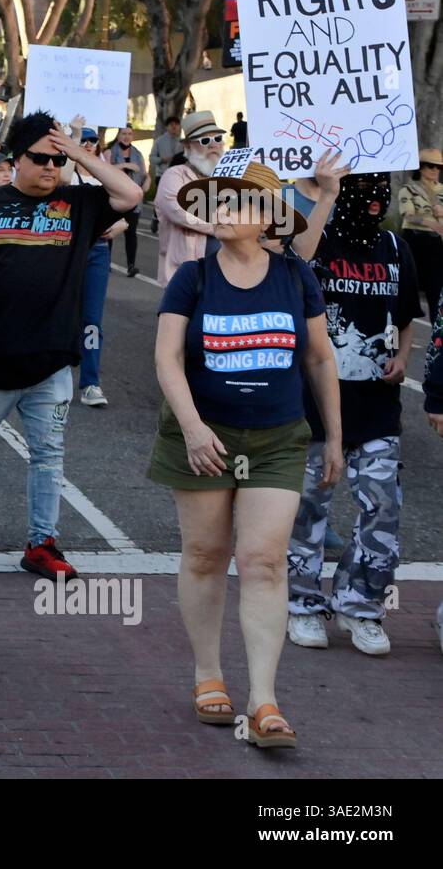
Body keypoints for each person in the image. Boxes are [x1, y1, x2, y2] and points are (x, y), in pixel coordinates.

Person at [149, 161, 340, 750]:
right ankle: (208, 674)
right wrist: (193, 427)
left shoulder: (294, 275)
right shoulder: (192, 276)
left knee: (264, 561)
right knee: (206, 554)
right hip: (202, 435)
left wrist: (334, 436)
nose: (223, 209)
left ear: (267, 219)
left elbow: (319, 358)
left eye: (238, 202)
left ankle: (264, 700)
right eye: (218, 200)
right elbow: (167, 358)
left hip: (278, 437)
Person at [0, 111, 144, 573]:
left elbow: (130, 193)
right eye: (39, 158)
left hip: (51, 359)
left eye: (56, 159)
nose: (50, 167)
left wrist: (79, 151)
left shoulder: (79, 202)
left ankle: (42, 542)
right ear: (16, 159)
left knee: (48, 452)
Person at [286, 171, 421, 656]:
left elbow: (404, 317)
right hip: (314, 406)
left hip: (376, 409)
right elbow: (298, 254)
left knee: (384, 508)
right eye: (362, 188)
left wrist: (403, 356)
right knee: (307, 510)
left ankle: (359, 605)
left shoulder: (393, 248)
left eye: (379, 188)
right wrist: (327, 193)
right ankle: (300, 605)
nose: (373, 198)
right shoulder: (318, 239)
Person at [75, 127, 128, 408]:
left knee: (92, 320)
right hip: (67, 250)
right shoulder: (65, 171)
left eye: (92, 139)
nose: (87, 144)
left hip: (97, 251)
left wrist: (118, 225)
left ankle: (91, 382)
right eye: (81, 139)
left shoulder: (104, 175)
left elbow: (126, 212)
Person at [154, 111, 227, 286]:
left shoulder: (229, 178)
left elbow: (243, 213)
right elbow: (179, 212)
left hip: (226, 274)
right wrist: (220, 226)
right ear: (187, 145)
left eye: (217, 139)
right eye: (204, 141)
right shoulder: (174, 175)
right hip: (185, 275)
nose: (213, 145)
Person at [396, 147, 443, 317]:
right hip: (414, 241)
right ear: (421, 167)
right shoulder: (409, 189)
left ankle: (437, 339)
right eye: (431, 166)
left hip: (437, 245)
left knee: (437, 295)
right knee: (406, 290)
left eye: (439, 167)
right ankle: (392, 336)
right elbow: (408, 215)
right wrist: (432, 223)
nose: (435, 170)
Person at [104, 125, 146, 277]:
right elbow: (104, 170)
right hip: (114, 197)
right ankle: (106, 262)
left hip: (133, 199)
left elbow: (144, 174)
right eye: (124, 133)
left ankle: (131, 265)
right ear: (118, 135)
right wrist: (125, 165)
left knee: (131, 232)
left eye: (129, 133)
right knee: (110, 230)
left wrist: (146, 184)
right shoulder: (110, 151)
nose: (126, 136)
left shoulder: (138, 154)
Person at [148, 115, 184, 235]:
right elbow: (152, 158)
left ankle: (174, 223)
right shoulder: (159, 141)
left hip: (179, 176)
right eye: (171, 125)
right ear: (167, 127)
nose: (174, 127)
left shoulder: (184, 142)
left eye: (176, 124)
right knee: (161, 199)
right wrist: (162, 160)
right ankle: (155, 218)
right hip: (162, 174)